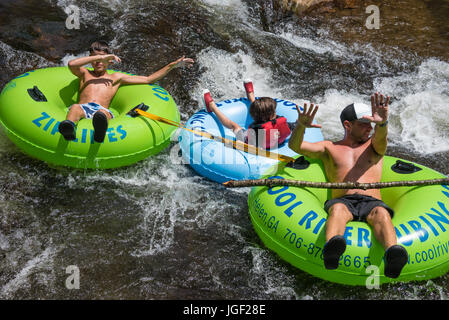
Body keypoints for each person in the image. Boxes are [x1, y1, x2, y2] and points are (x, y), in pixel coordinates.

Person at [288, 92, 408, 278]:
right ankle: (332, 250)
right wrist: (301, 126)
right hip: (343, 201)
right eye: (364, 124)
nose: (369, 128)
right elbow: (296, 147)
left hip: (372, 201)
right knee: (338, 211)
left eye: (371, 123)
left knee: (382, 214)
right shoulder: (329, 147)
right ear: (348, 125)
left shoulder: (374, 146)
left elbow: (381, 139)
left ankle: (393, 255)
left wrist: (382, 123)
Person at [58, 40, 194, 142]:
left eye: (103, 59)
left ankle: (99, 133)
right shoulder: (84, 73)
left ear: (110, 62)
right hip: (83, 107)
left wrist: (172, 65)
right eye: (96, 58)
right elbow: (71, 64)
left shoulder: (115, 78)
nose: (98, 62)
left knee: (101, 114)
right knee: (75, 108)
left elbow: (148, 79)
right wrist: (100, 57)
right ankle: (69, 130)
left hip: (101, 110)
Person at [202, 80, 295, 149]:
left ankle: (212, 107)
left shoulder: (255, 131)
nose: (276, 112)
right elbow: (296, 125)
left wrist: (238, 142)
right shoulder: (284, 124)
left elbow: (245, 146)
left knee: (235, 126)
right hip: (274, 143)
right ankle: (251, 96)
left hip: (252, 141)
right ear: (271, 116)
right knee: (261, 109)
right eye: (274, 111)